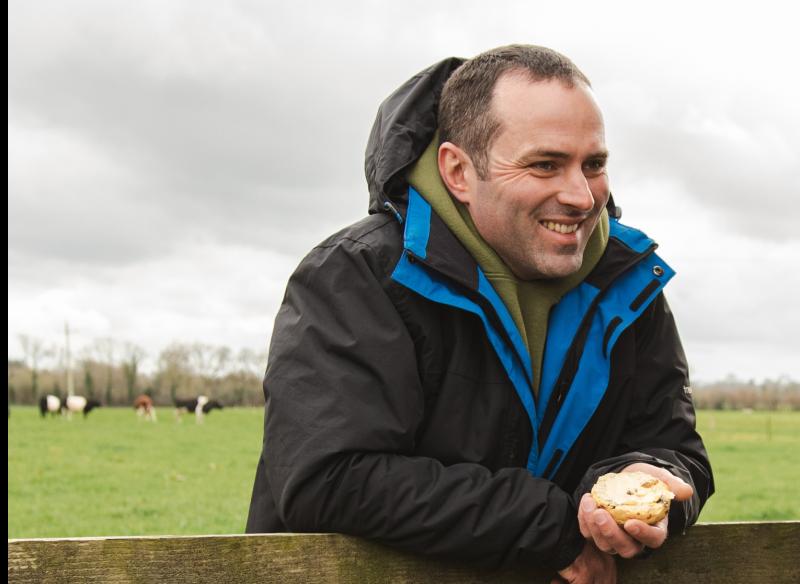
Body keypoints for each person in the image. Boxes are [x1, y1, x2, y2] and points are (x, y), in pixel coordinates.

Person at [246, 45, 713, 583]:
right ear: (459, 172)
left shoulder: (630, 281)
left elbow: (674, 449)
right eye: (545, 164)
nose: (583, 197)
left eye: (594, 165)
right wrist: (552, 529)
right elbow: (327, 477)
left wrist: (659, 488)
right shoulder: (357, 275)